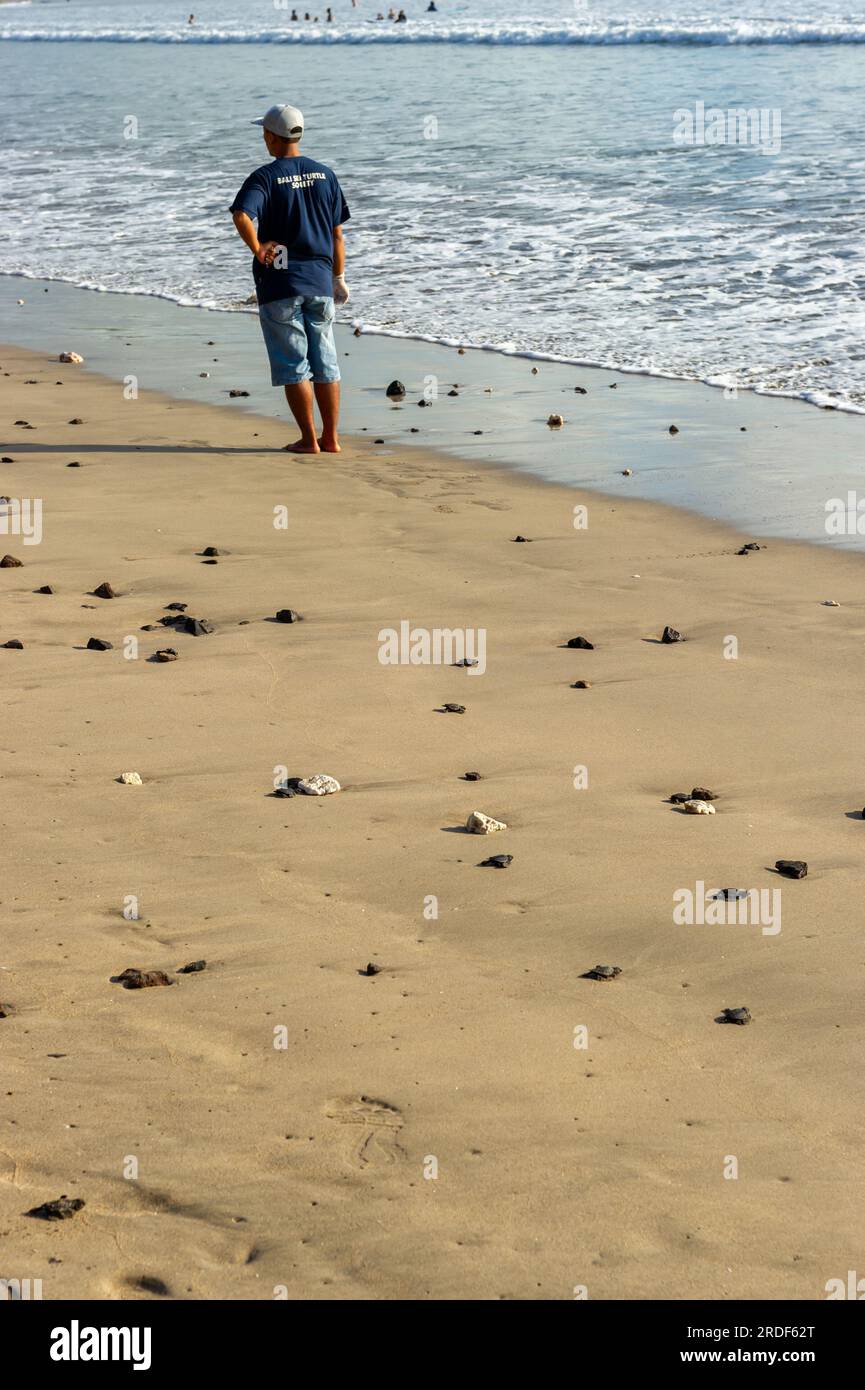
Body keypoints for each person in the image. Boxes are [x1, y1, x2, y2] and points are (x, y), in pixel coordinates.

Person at [230, 104, 351, 455]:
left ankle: (308, 440)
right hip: (319, 281)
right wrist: (339, 278)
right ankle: (331, 439)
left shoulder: (264, 177)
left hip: (281, 282)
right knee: (326, 360)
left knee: (294, 363)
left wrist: (257, 248)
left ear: (270, 135)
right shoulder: (325, 174)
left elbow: (242, 215)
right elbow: (337, 235)